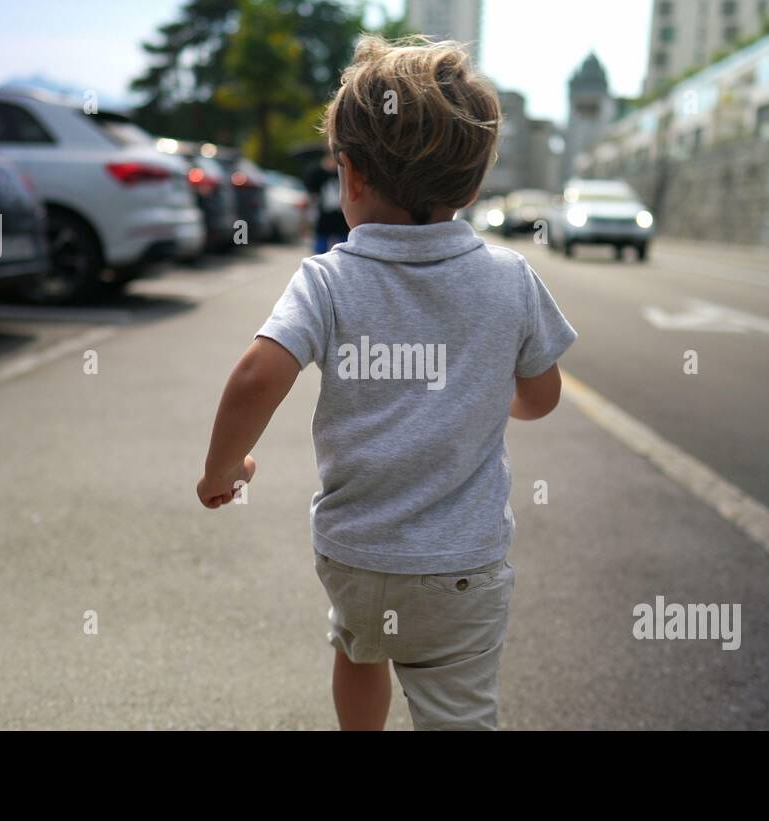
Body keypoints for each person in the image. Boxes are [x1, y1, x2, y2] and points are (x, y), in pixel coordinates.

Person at [196, 35, 577, 731]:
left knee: (359, 647)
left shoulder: (329, 279)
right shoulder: (508, 278)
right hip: (462, 564)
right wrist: (508, 397)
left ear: (352, 175)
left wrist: (226, 466)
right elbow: (542, 393)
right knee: (460, 705)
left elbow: (257, 373)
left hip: (357, 555)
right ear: (472, 183)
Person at [304, 152, 349, 253]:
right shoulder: (317, 172)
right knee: (321, 242)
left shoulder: (343, 171)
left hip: (341, 212)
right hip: (324, 212)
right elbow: (312, 192)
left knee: (344, 242)